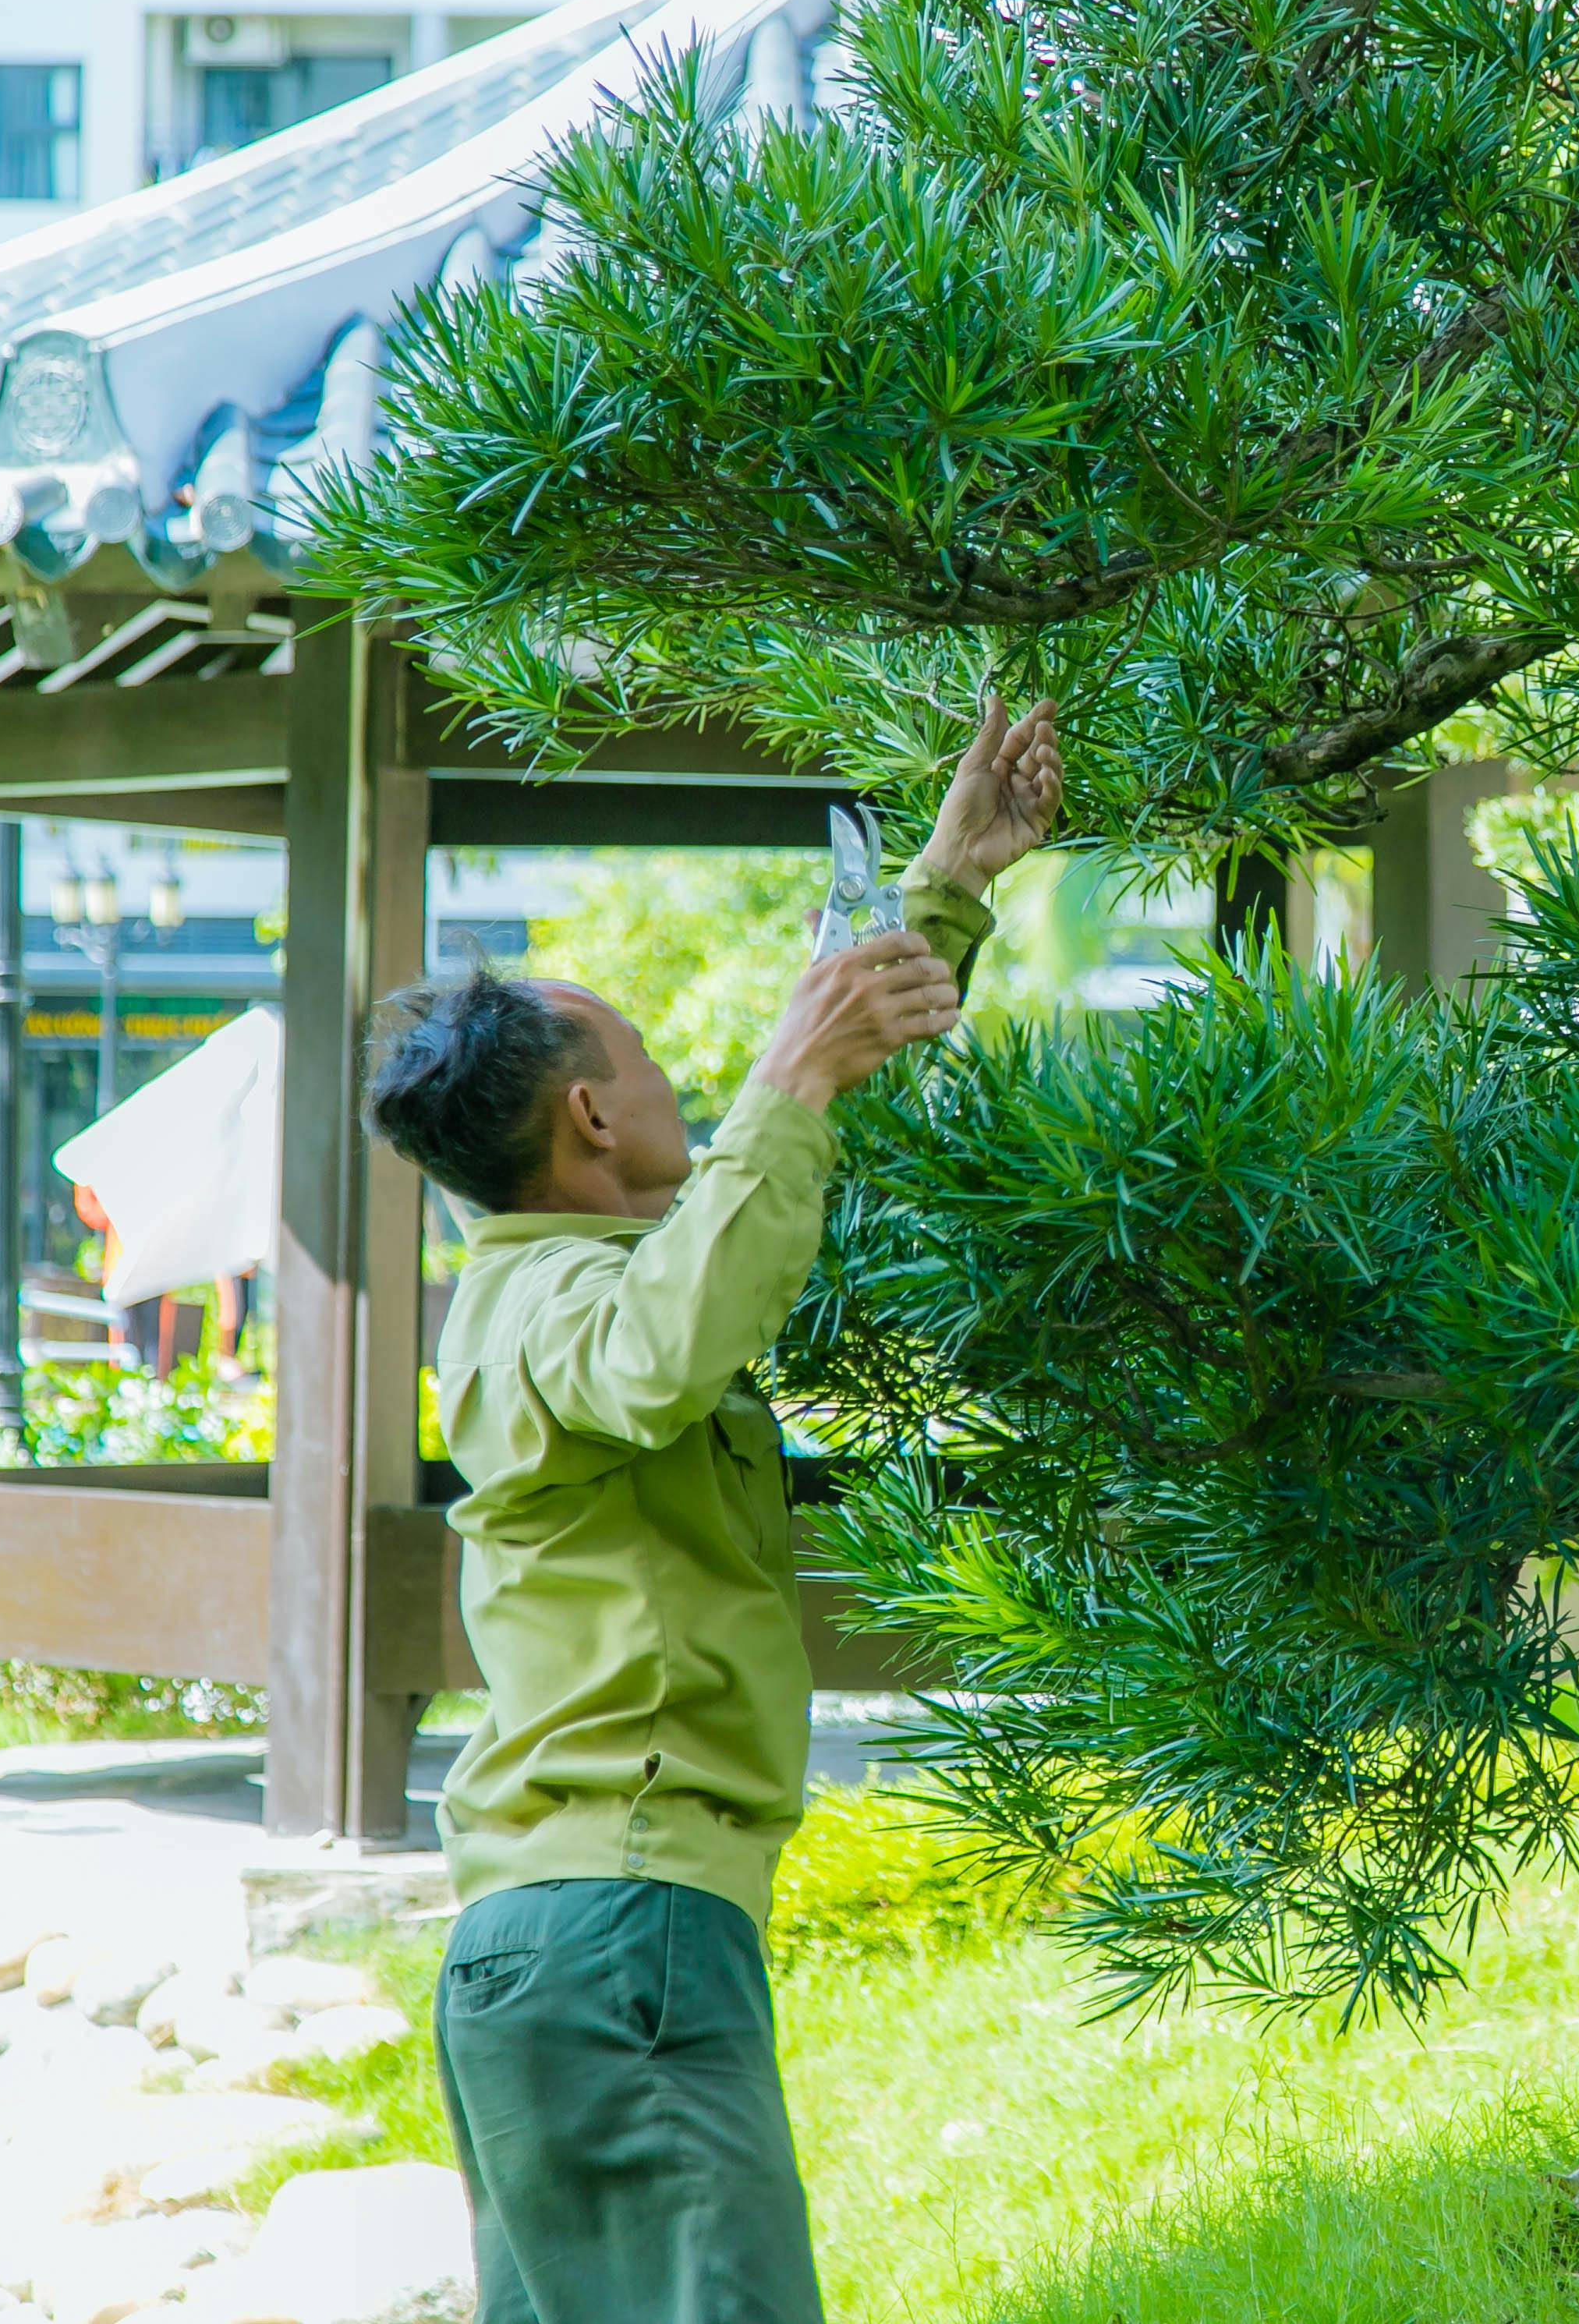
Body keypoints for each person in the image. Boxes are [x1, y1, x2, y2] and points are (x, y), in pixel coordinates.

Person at [356, 696, 1061, 2324]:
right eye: (659, 1060)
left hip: (580, 1947)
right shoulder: (542, 1317)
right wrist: (797, 1061)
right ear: (590, 1118)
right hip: (623, 1940)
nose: (699, 1083)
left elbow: (762, 1194)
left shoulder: (589, 1274)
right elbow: (684, 1321)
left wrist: (944, 887)